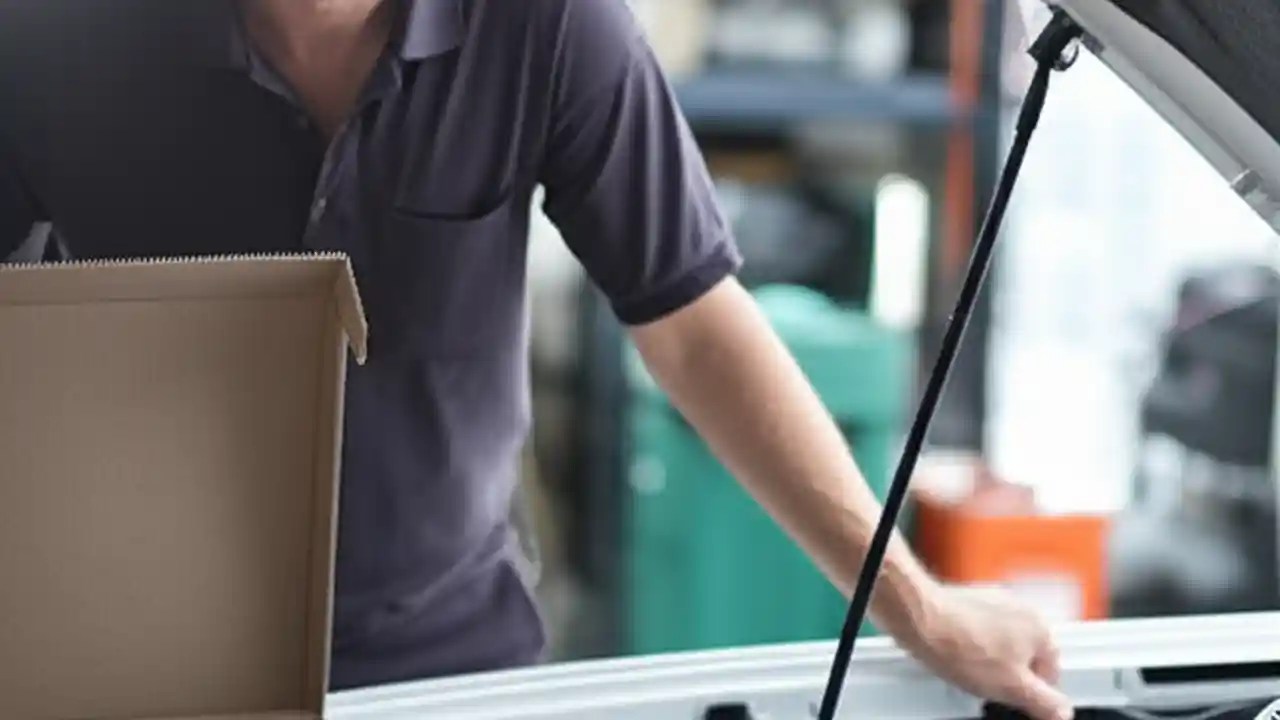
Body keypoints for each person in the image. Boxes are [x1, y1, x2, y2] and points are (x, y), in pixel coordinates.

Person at [0, 2, 1072, 718]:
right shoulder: (50, 37)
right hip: (130, 661)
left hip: (450, 664)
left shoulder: (547, 23)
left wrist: (916, 607)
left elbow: (694, 325)